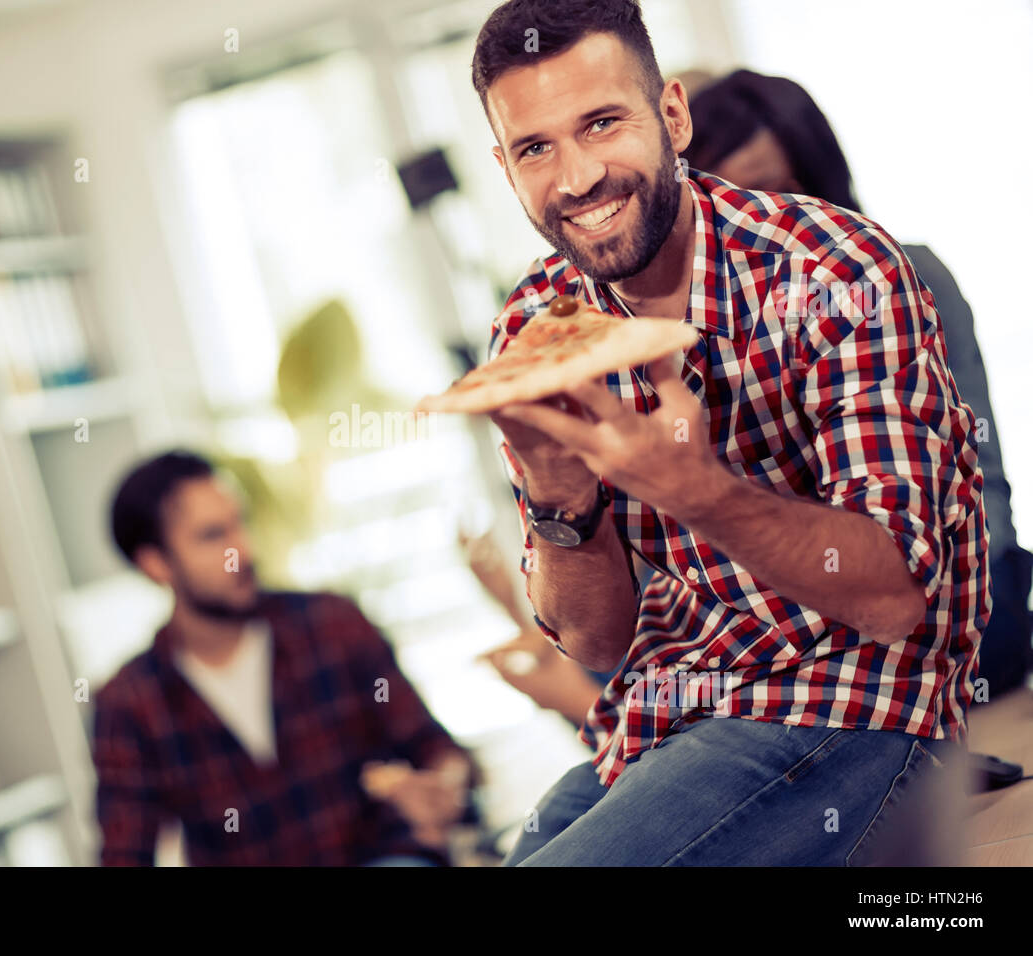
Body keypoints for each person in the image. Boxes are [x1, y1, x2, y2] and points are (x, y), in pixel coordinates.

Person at [469, 0, 982, 865]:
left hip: (857, 700)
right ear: (504, 165)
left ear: (672, 115)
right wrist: (562, 500)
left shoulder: (836, 271)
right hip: (677, 712)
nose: (577, 177)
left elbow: (895, 600)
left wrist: (694, 488)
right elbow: (595, 641)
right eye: (536, 148)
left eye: (601, 123)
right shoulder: (535, 323)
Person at [682, 69, 1032, 701]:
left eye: (779, 196)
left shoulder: (903, 276)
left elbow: (953, 511)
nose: (761, 228)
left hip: (961, 598)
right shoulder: (707, 339)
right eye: (731, 207)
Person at [93, 450, 478, 866]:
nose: (241, 549)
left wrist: (443, 790)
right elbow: (124, 854)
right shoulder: (130, 702)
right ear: (155, 564)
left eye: (240, 523)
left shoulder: (334, 625)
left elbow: (435, 749)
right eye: (212, 536)